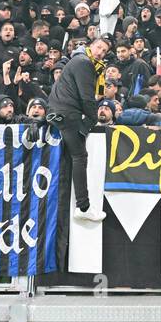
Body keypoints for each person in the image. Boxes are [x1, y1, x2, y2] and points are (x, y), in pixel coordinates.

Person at [46, 36, 111, 222]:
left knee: (70, 157)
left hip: (59, 111)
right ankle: (83, 206)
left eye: (104, 51)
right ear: (90, 46)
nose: (100, 52)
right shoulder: (84, 62)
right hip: (68, 113)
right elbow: (87, 98)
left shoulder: (77, 60)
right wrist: (92, 119)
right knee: (79, 157)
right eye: (99, 47)